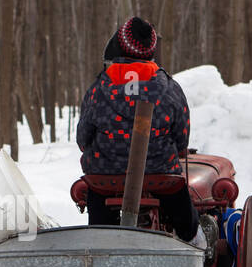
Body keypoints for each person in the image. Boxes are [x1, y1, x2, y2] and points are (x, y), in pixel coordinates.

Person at [76, 16, 200, 243]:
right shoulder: (170, 89)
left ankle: (101, 246)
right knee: (188, 224)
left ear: (119, 46)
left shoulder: (98, 89)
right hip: (160, 176)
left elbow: (83, 139)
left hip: (105, 178)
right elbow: (182, 139)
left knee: (100, 229)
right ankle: (194, 243)